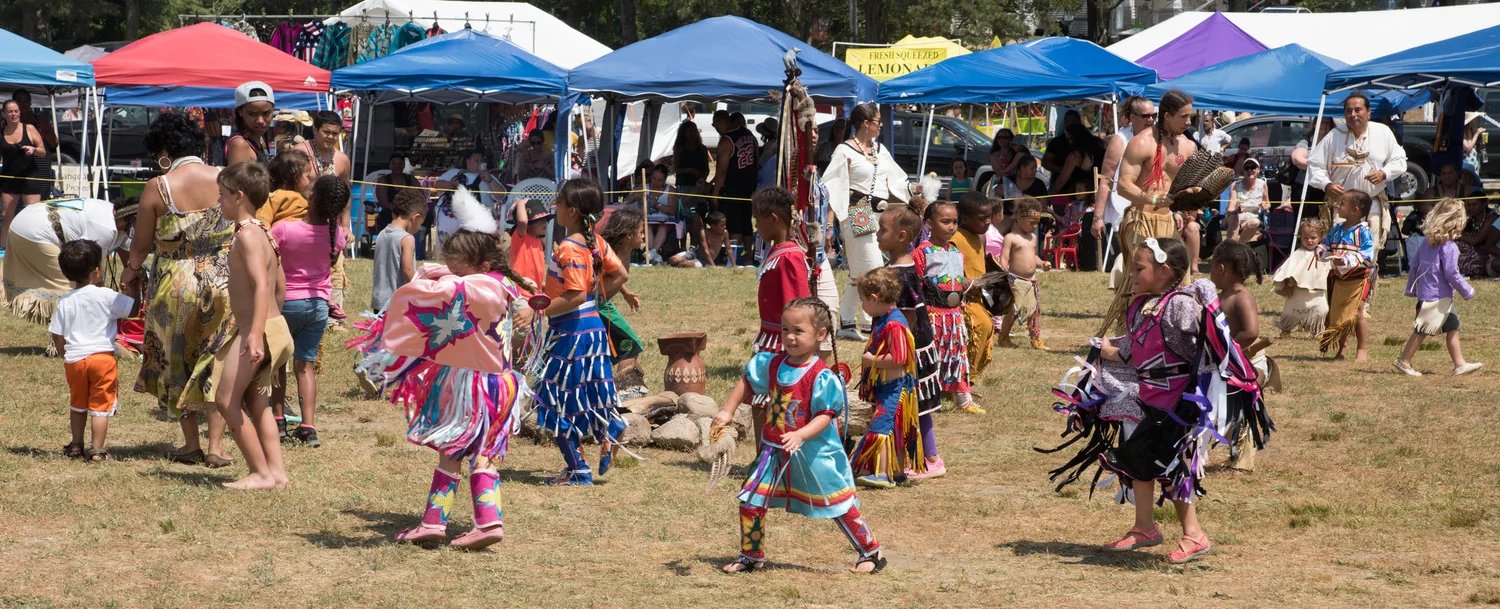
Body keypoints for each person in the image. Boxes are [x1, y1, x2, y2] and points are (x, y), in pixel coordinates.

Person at [350, 188, 529, 549]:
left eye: (458, 268)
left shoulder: (477, 288)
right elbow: (460, 279)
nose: (451, 273)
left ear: (479, 267)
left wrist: (439, 276)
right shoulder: (503, 283)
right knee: (484, 454)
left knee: (451, 452)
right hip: (502, 386)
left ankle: (434, 522)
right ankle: (487, 520)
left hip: (470, 384)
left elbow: (443, 287)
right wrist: (447, 271)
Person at [710, 297, 886, 574]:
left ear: (820, 335)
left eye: (798, 331)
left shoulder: (821, 376)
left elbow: (825, 415)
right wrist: (727, 411)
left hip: (813, 454)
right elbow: (747, 378)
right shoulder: (772, 364)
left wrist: (801, 435)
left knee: (836, 502)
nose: (789, 337)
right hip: (773, 450)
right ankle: (751, 555)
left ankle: (870, 552)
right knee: (751, 501)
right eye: (784, 330)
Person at [124, 113, 237, 468]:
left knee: (179, 364)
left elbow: (140, 246)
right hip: (223, 280)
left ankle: (191, 444)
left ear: (163, 152)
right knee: (216, 360)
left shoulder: (158, 186)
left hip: (176, 284)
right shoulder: (225, 178)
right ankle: (217, 446)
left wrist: (129, 275)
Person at [1094, 238, 1216, 564]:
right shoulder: (1139, 305)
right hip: (1151, 398)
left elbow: (1208, 341)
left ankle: (1195, 535)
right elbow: (1135, 352)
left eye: (1138, 268)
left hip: (1179, 405)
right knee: (1139, 461)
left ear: (1163, 271)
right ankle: (1145, 527)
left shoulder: (1179, 304)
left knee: (1174, 467)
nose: (1131, 273)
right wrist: (1108, 351)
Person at [534, 178, 628, 486]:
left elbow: (573, 294)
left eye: (558, 203)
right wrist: (595, 300)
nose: (555, 208)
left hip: (571, 335)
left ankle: (579, 470)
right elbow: (620, 274)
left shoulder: (570, 248)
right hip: (590, 330)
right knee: (585, 395)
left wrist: (536, 310)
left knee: (554, 398)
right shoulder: (595, 243)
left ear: (572, 211)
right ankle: (609, 427)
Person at [211, 161, 294, 490]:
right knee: (257, 403)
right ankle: (277, 473)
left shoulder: (247, 235)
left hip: (257, 331)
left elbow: (262, 284)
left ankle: (260, 473)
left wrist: (256, 333)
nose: (219, 202)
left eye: (222, 196)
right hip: (274, 327)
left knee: (225, 400)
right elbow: (280, 285)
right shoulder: (264, 232)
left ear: (239, 197)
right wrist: (272, 324)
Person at [267, 175, 351, 447]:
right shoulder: (335, 234)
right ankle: (308, 426)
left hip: (285, 304)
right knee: (305, 366)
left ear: (311, 196)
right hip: (317, 306)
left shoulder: (283, 230)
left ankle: (278, 420)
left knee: (278, 365)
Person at [1109, 90, 1197, 332]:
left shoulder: (1188, 146)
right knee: (1141, 280)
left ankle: (1168, 332)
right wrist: (1152, 198)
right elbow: (1124, 186)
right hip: (1140, 219)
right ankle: (1129, 334)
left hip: (1168, 221)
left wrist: (1186, 207)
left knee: (1176, 279)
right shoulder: (1141, 142)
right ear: (1167, 116)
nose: (1189, 122)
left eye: (1190, 116)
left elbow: (1187, 186)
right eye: (1184, 117)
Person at [823, 102, 912, 340]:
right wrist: (829, 226)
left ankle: (851, 322)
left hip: (879, 216)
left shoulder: (880, 150)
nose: (881, 125)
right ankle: (872, 318)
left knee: (859, 272)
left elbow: (896, 177)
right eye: (878, 121)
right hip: (856, 213)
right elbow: (832, 187)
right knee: (873, 268)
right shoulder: (844, 151)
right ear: (866, 123)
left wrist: (913, 188)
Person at [50, 240, 138, 462]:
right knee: (100, 405)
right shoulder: (107, 296)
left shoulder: (65, 301)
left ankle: (76, 445)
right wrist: (133, 288)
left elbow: (57, 335)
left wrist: (64, 353)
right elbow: (134, 309)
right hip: (102, 359)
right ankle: (97, 450)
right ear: (97, 270)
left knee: (78, 403)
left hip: (75, 360)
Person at [877, 206, 944, 479]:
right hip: (903, 347)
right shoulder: (894, 268)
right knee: (907, 402)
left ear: (902, 235)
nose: (878, 234)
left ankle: (932, 459)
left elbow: (907, 319)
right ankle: (905, 457)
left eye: (883, 230)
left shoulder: (903, 274)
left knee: (916, 403)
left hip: (909, 349)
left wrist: (895, 353)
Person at [1308, 92, 1406, 266]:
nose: (1353, 115)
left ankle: (1365, 291)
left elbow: (1399, 160)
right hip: (1341, 206)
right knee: (1339, 251)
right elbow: (1314, 166)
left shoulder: (1382, 132)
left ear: (1368, 112)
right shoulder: (1334, 136)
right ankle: (1341, 290)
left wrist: (1383, 173)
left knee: (1371, 250)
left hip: (1372, 202)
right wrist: (1327, 184)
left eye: (1358, 110)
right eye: (1348, 111)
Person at [3, 198, 119, 335]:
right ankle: (67, 337)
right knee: (73, 284)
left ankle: (69, 334)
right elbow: (91, 270)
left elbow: (130, 256)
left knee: (78, 287)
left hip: (25, 221)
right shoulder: (105, 228)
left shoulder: (112, 215)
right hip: (35, 229)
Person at [1394, 198, 1482, 377]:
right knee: (1422, 330)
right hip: (1437, 298)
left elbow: (1414, 265)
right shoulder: (1449, 247)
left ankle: (1460, 364)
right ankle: (1404, 361)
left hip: (1430, 295)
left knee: (1453, 328)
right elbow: (1452, 273)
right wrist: (1467, 290)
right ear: (1456, 222)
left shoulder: (1427, 243)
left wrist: (1412, 288)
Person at [849, 267, 918, 489]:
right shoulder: (884, 319)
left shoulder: (894, 324)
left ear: (874, 298)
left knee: (882, 427)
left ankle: (880, 474)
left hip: (896, 388)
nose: (862, 305)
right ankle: (896, 472)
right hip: (888, 387)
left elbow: (899, 359)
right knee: (891, 427)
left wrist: (871, 361)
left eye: (862, 300)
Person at [1208, 240, 1273, 471]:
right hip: (1226, 361)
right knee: (1217, 406)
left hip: (1246, 361)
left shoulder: (1240, 296)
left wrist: (1229, 349)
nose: (1210, 271)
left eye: (1211, 265)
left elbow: (1252, 331)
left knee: (1240, 410)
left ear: (1222, 268)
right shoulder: (1220, 295)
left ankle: (1243, 461)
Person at [913, 202, 974, 412]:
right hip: (932, 314)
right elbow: (916, 287)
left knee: (957, 353)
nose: (951, 227)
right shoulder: (921, 253)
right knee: (932, 356)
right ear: (929, 223)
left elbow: (957, 279)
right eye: (945, 222)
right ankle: (930, 396)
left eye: (955, 222)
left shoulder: (956, 252)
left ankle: (962, 396)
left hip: (954, 316)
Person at [1095, 96, 1156, 273]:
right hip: (1124, 204)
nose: (1151, 120)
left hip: (1152, 203)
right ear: (1133, 117)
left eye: (1154, 115)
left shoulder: (1158, 139)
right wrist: (1098, 218)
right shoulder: (1120, 140)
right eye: (1146, 116)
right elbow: (1105, 180)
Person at [1316, 191, 1376, 361]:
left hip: (1357, 278)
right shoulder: (1337, 229)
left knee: (1358, 313)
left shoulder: (1362, 232)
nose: (1338, 206)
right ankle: (1342, 348)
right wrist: (1321, 250)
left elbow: (1367, 254)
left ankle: (1362, 349)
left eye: (1342, 203)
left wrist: (1347, 261)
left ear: (1354, 210)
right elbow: (1326, 244)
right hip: (1338, 278)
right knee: (1339, 313)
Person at [598, 206, 650, 399]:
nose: (644, 236)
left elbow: (617, 277)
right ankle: (625, 393)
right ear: (628, 234)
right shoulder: (609, 253)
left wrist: (625, 292)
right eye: (641, 232)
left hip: (603, 306)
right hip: (597, 307)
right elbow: (595, 282)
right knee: (630, 346)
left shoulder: (623, 252)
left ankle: (624, 386)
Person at [953, 193, 997, 390]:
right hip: (961, 300)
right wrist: (968, 282)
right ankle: (962, 381)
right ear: (965, 218)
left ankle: (971, 379)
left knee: (986, 327)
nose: (988, 222)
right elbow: (951, 273)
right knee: (980, 326)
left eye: (989, 217)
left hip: (979, 298)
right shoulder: (956, 239)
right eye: (982, 218)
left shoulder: (980, 238)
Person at [997, 196, 1047, 351]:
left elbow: (1033, 256)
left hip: (1031, 281)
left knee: (1033, 311)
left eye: (1036, 223)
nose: (1034, 226)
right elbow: (1003, 259)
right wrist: (1004, 276)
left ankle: (1035, 339)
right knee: (1013, 311)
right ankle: (1003, 337)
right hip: (1015, 280)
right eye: (1031, 222)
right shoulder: (1011, 238)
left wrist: (1042, 263)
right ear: (1019, 218)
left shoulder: (1033, 238)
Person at [1, 99, 51, 245]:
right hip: (10, 178)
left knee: (33, 216)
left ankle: (34, 246)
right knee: (6, 217)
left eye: (16, 111)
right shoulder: (1, 131)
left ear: (20, 113)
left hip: (30, 176)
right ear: (4, 114)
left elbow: (43, 152)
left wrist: (33, 150)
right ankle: (4, 249)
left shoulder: (29, 129)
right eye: (10, 111)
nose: (13, 114)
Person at [435, 150, 503, 255]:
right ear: (468, 161)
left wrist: (490, 180)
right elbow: (437, 185)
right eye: (476, 161)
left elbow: (501, 195)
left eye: (481, 161)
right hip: (452, 212)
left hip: (479, 213)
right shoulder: (454, 173)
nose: (479, 163)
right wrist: (450, 184)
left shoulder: (488, 177)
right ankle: (450, 252)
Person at [1272, 218, 1332, 337]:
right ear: (1300, 237)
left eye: (1313, 238)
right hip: (1296, 291)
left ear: (1320, 237)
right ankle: (1286, 329)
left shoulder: (1323, 254)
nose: (1309, 241)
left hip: (1316, 291)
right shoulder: (1298, 253)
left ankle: (1317, 329)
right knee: (1291, 311)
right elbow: (1288, 271)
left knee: (1321, 309)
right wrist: (1287, 285)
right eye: (1305, 238)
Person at [711, 111, 760, 250]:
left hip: (732, 188)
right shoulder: (751, 136)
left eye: (715, 126)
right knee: (746, 224)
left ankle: (734, 258)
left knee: (734, 225)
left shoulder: (727, 139)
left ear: (720, 122)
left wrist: (714, 193)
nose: (716, 129)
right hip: (749, 187)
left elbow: (722, 170)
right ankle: (748, 258)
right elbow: (757, 161)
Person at [370, 189, 424, 313]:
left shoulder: (382, 233)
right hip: (397, 302)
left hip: (379, 301)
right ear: (416, 217)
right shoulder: (407, 238)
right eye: (420, 223)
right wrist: (421, 291)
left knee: (383, 332)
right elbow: (408, 270)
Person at [673, 121, 712, 254]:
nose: (693, 133)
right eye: (690, 130)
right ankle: (682, 246)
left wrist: (703, 177)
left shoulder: (703, 148)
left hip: (699, 186)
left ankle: (698, 245)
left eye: (695, 130)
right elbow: (676, 168)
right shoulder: (679, 148)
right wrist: (689, 170)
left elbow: (707, 169)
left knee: (700, 214)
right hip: (684, 185)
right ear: (684, 133)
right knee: (683, 215)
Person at [257, 148, 316, 226]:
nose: (310, 180)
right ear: (295, 177)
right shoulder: (277, 197)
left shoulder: (303, 197)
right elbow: (262, 218)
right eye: (307, 176)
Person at [225, 81, 276, 166]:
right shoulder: (240, 144)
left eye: (266, 113)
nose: (260, 120)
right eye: (252, 114)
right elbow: (237, 179)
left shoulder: (254, 140)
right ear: (240, 112)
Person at [508, 197, 551, 289]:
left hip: (533, 291)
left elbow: (535, 271)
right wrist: (520, 203)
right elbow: (522, 222)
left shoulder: (538, 241)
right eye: (539, 220)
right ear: (528, 224)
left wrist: (542, 285)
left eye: (545, 219)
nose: (544, 223)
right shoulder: (521, 238)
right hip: (520, 290)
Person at [1051, 123, 1103, 196]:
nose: (1068, 142)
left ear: (1076, 138)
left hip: (1084, 196)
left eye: (1069, 139)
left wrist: (1051, 195)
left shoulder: (1076, 156)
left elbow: (1062, 180)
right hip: (1101, 191)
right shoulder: (1100, 146)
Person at [374, 153, 420, 233]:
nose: (397, 166)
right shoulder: (383, 180)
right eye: (394, 163)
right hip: (390, 211)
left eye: (400, 163)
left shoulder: (412, 179)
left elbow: (420, 196)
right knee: (385, 214)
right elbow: (383, 201)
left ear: (404, 165)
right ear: (390, 165)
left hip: (409, 210)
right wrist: (397, 209)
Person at [1227, 158, 1266, 242]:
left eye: (1252, 167)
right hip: (1236, 216)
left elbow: (1267, 203)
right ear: (1243, 170)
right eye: (1246, 168)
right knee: (1234, 218)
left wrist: (1264, 205)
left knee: (1255, 222)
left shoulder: (1262, 184)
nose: (1250, 170)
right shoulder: (1235, 185)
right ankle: (1231, 246)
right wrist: (1236, 211)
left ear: (1258, 170)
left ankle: (1240, 246)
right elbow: (1230, 208)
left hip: (1252, 217)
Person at [1041, 109, 1081, 177]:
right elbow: (1045, 162)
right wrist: (1063, 170)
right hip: (1060, 182)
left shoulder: (1087, 141)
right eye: (1067, 122)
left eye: (1073, 122)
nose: (1070, 125)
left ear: (1079, 123)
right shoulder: (1056, 142)